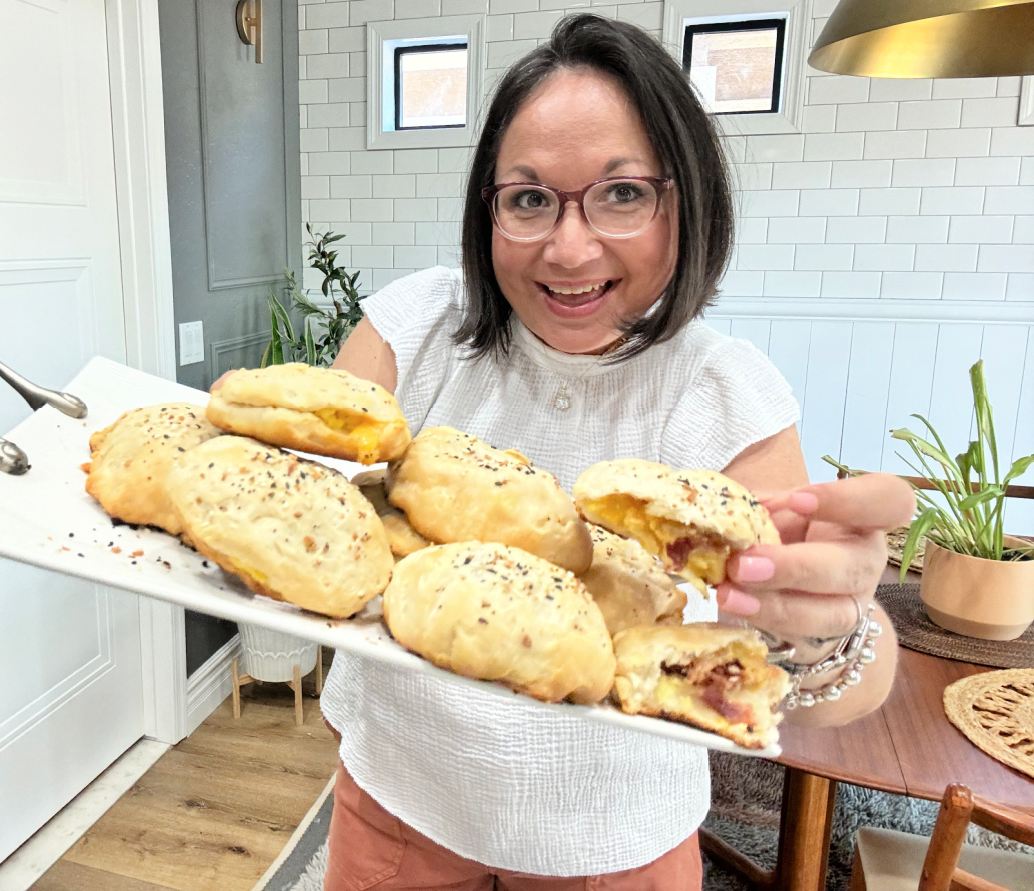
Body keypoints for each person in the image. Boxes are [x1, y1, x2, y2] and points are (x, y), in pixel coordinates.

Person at [315, 14, 912, 890]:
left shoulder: (724, 396)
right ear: (488, 209)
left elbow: (827, 684)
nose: (569, 246)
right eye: (528, 198)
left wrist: (829, 629)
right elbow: (316, 510)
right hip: (402, 800)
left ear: (686, 200)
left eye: (622, 192)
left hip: (610, 844)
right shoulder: (415, 332)